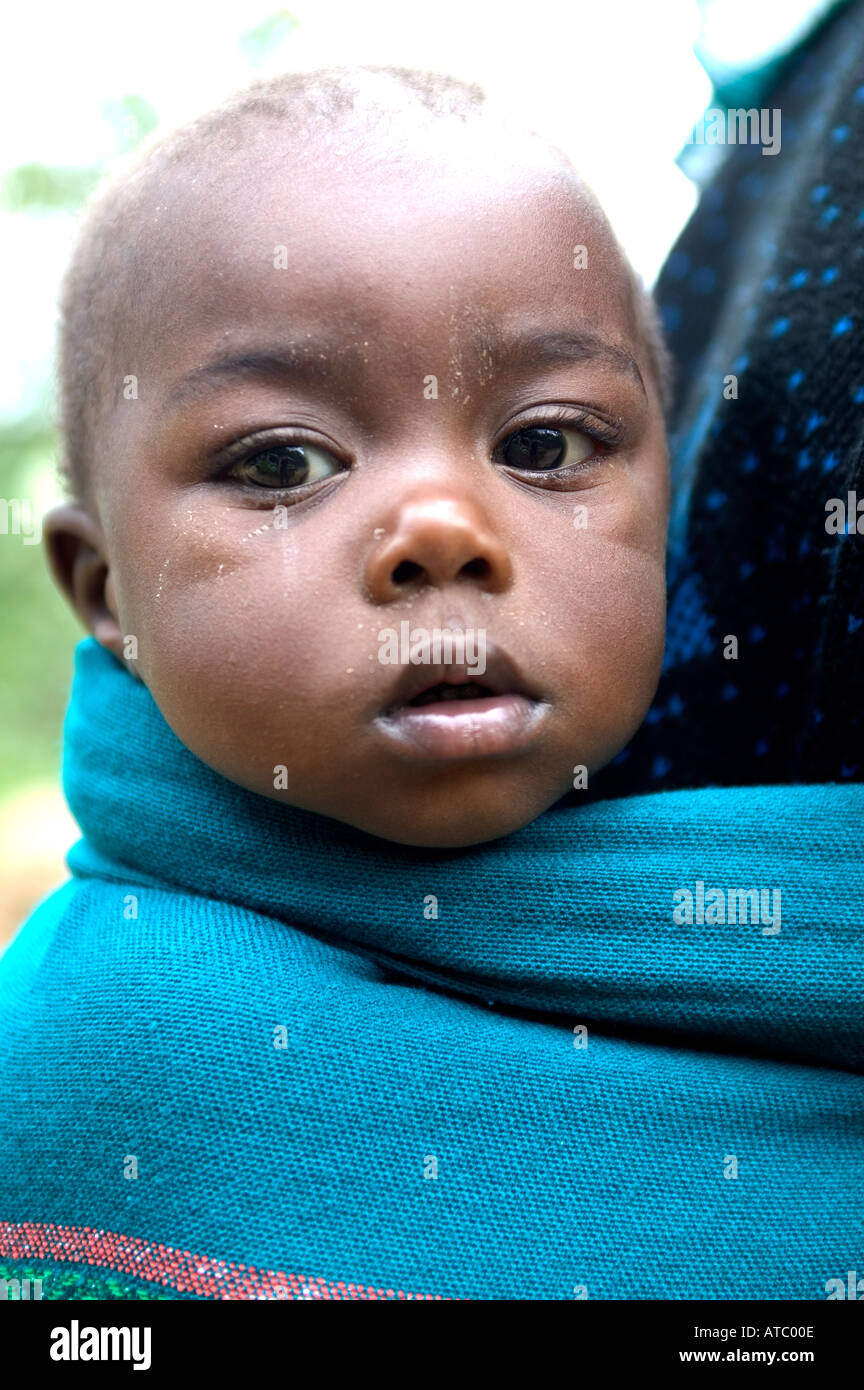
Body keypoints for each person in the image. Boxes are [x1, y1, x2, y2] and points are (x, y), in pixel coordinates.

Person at [0, 66, 860, 1302]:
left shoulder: (786, 906)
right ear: (104, 590)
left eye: (546, 444)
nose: (444, 529)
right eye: (284, 461)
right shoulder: (98, 1053)